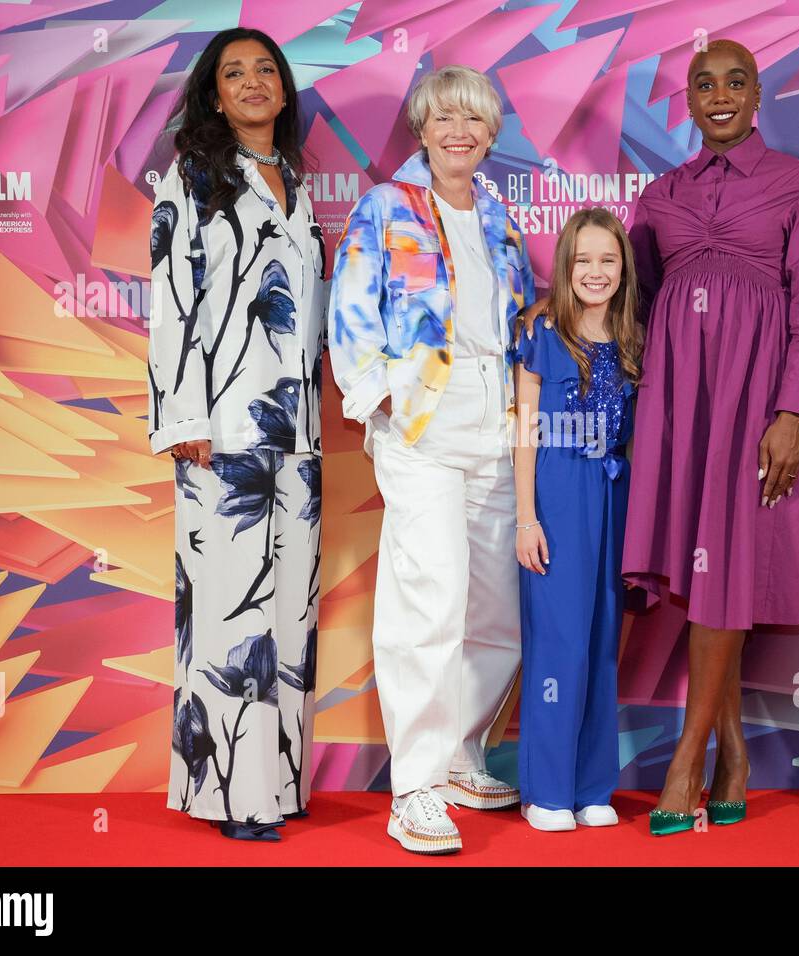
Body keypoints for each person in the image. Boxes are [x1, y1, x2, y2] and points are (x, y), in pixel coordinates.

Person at [625, 41, 799, 834]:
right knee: (702, 567)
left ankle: (688, 762)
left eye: (735, 82)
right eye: (704, 84)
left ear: (757, 96)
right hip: (680, 408)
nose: (719, 96)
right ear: (688, 98)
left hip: (759, 412)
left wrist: (791, 415)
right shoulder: (659, 196)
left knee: (729, 564)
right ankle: (735, 753)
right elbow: (633, 310)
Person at [328, 65, 538, 855]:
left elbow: (516, 323)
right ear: (422, 127)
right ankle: (412, 788)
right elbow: (350, 310)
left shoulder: (498, 215)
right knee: (430, 602)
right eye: (446, 117)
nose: (461, 132)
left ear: (491, 135)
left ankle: (459, 754)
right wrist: (379, 398)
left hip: (496, 427)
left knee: (496, 613)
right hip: (422, 429)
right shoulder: (386, 207)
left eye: (476, 121)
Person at [148, 28, 327, 842]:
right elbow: (170, 297)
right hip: (220, 428)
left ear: (284, 92)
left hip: (299, 431)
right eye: (234, 73)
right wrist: (182, 416)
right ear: (214, 95)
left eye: (266, 70)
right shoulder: (189, 178)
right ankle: (231, 794)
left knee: (289, 611)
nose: (253, 82)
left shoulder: (296, 181)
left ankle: (279, 782)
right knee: (229, 613)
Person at [513, 208, 642, 832]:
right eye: (582, 260)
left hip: (616, 492)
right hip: (557, 492)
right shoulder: (541, 334)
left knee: (600, 641)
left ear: (623, 268)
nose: (595, 271)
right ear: (565, 267)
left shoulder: (634, 339)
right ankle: (547, 789)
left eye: (607, 260)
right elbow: (523, 432)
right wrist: (525, 517)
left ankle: (594, 785)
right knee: (558, 641)